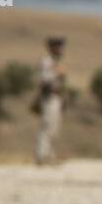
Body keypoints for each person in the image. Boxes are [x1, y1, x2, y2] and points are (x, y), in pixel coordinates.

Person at [33, 36, 66, 166]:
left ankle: (50, 155)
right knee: (47, 126)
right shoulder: (46, 61)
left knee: (54, 127)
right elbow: (44, 79)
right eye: (58, 47)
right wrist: (57, 73)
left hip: (56, 97)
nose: (61, 49)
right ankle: (42, 156)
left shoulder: (55, 61)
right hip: (48, 97)